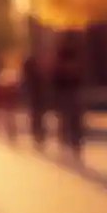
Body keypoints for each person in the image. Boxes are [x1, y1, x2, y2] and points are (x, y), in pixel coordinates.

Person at [50, 34, 85, 162]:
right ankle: (68, 143)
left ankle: (74, 143)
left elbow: (80, 77)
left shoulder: (75, 58)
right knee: (67, 119)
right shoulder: (59, 62)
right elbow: (55, 79)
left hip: (71, 92)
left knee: (73, 119)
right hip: (65, 93)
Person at [22, 50, 48, 149]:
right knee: (38, 115)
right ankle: (38, 134)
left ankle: (38, 134)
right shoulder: (35, 73)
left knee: (36, 115)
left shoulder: (32, 73)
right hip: (37, 96)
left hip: (36, 96)